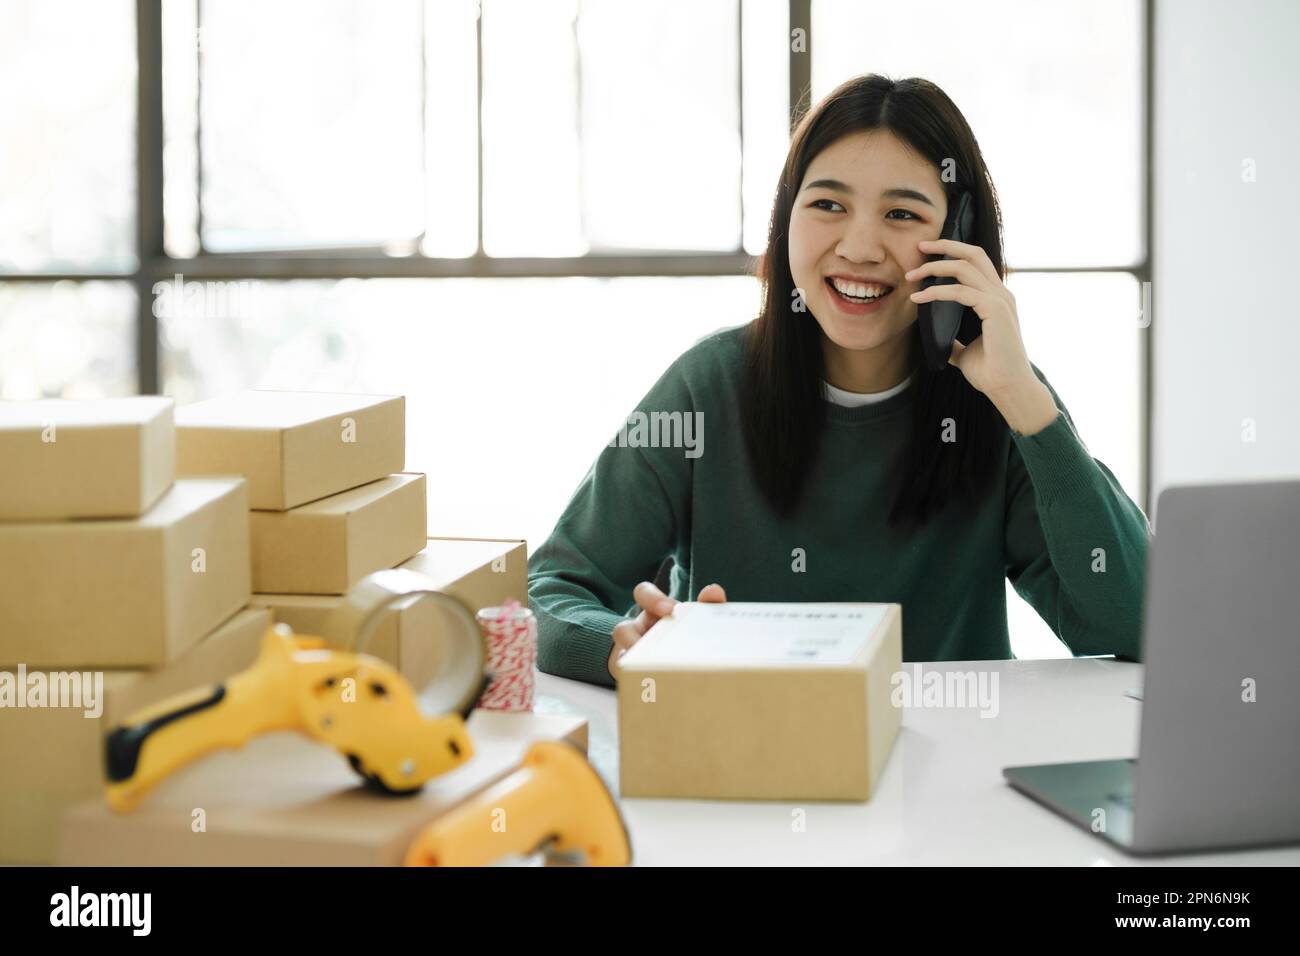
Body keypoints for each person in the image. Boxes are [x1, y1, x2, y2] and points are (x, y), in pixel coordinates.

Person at [527, 73, 1152, 687]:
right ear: (786, 218)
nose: (859, 247)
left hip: (955, 772)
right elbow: (550, 590)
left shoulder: (1002, 399)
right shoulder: (708, 386)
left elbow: (1139, 623)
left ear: (958, 239)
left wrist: (1026, 404)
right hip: (747, 761)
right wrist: (623, 649)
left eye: (902, 214)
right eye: (828, 204)